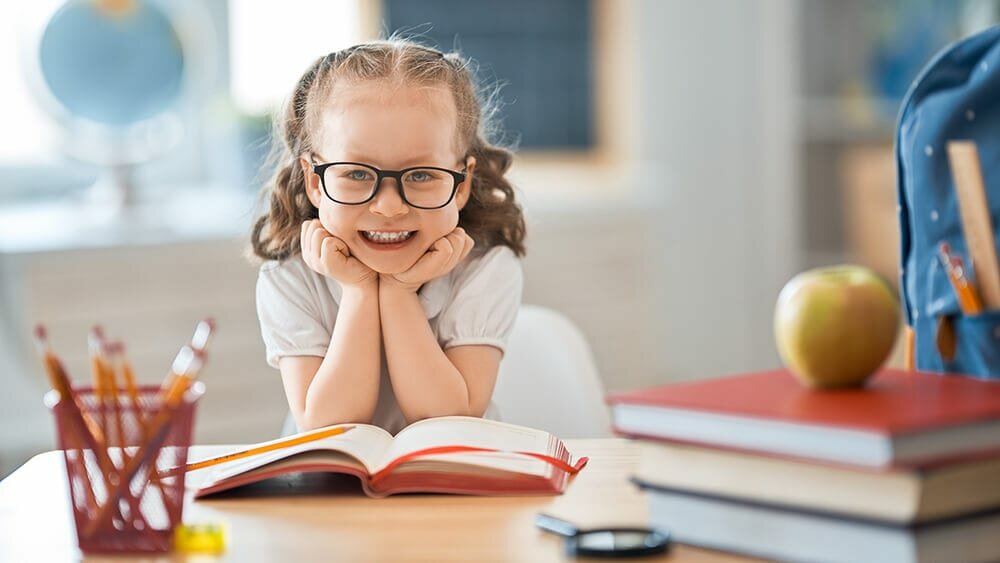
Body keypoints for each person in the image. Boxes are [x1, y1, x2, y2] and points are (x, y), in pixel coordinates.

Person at [250, 39, 526, 434]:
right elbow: (327, 425)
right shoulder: (290, 277)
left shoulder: (485, 268)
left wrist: (398, 291)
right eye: (358, 174)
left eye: (420, 175)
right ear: (315, 181)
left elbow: (449, 419)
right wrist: (361, 291)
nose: (389, 207)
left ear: (461, 184)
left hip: (456, 489)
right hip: (328, 493)